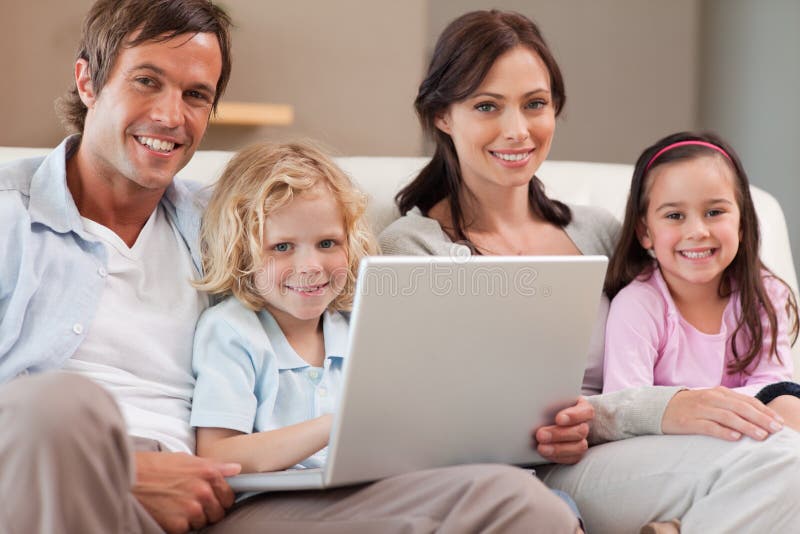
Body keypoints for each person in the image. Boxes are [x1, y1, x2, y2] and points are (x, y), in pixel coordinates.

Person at [0, 1, 583, 532]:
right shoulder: (10, 214)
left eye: (196, 95)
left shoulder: (233, 223)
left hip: (230, 502)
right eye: (147, 82)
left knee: (514, 502)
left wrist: (519, 417)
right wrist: (127, 471)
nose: (171, 115)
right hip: (72, 484)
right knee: (57, 405)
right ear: (88, 81)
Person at [378, 9, 800, 533]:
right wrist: (659, 410)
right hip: (511, 478)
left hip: (610, 461)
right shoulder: (414, 248)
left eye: (535, 105)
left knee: (785, 460)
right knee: (783, 465)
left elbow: (704, 295)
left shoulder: (597, 231)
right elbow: (416, 414)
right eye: (487, 106)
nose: (517, 130)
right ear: (442, 115)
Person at [190, 140, 378, 471]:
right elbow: (217, 454)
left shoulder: (357, 328)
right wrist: (337, 424)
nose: (310, 266)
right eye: (282, 247)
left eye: (327, 243)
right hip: (272, 506)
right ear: (241, 252)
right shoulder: (232, 331)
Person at [602, 131, 800, 429]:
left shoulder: (765, 293)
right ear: (645, 232)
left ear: (742, 224)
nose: (697, 231)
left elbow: (775, 386)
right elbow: (625, 406)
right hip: (674, 441)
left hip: (748, 435)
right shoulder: (638, 305)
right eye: (675, 216)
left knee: (790, 406)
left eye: (714, 212)